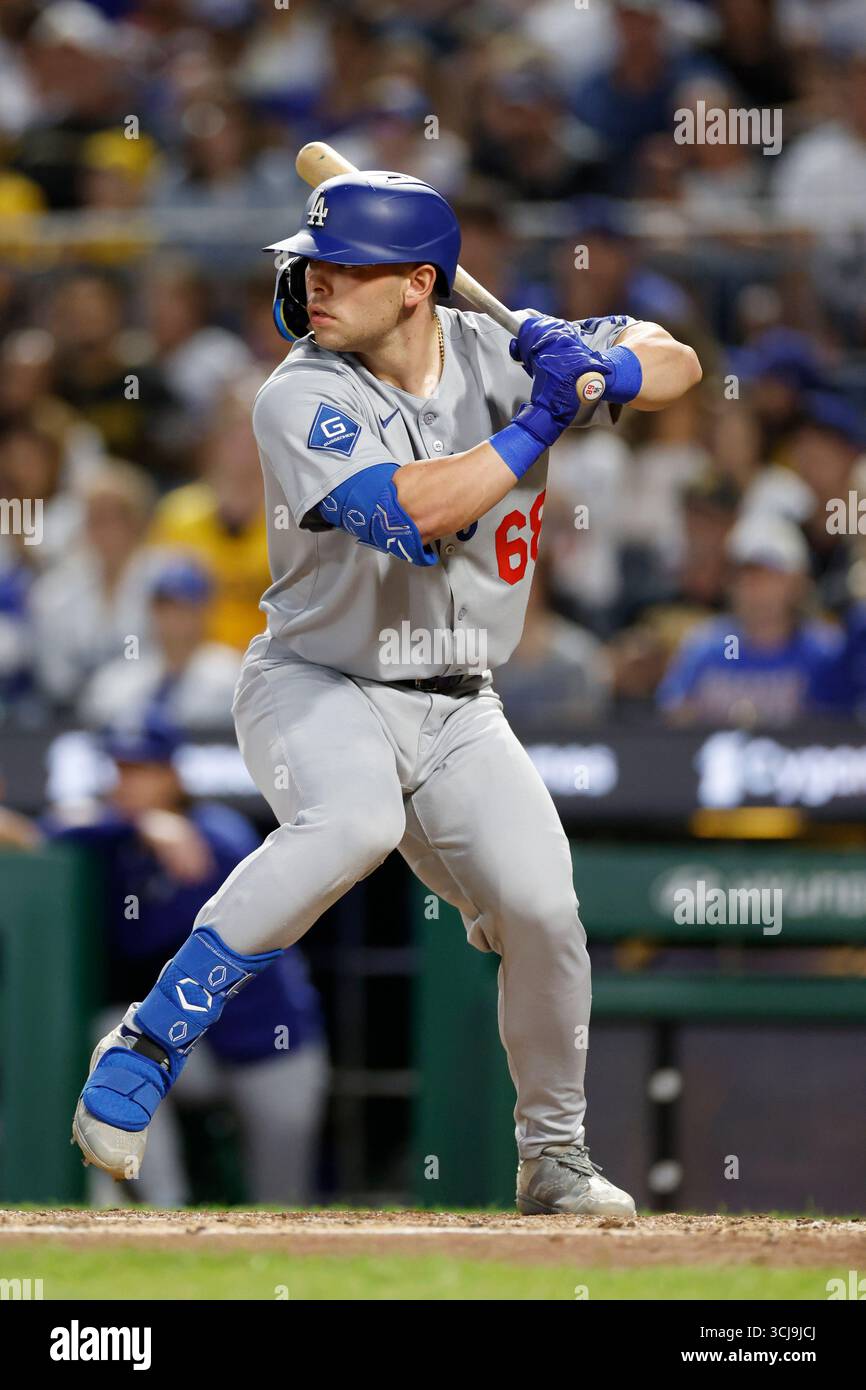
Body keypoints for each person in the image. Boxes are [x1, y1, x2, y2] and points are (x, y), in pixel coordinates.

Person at [73, 168, 701, 1217]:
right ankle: (147, 1038)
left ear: (418, 284)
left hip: (462, 701)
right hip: (316, 680)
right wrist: (544, 418)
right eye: (311, 263)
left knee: (545, 912)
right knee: (351, 823)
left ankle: (552, 1158)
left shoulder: (501, 354)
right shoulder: (298, 390)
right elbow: (412, 511)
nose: (314, 282)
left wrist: (602, 364)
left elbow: (679, 360)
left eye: (343, 267)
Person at [39, 715, 327, 1205]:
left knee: (281, 1200)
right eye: (123, 769)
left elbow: (219, 852)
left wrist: (163, 825)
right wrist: (142, 821)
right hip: (192, 1048)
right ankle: (161, 1207)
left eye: (144, 770)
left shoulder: (217, 828)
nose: (129, 782)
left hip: (271, 1043)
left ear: (172, 774)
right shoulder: (127, 842)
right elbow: (56, 830)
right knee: (114, 1039)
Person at [657, 514, 844, 727]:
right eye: (746, 576)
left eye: (769, 577)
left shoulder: (822, 651)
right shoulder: (711, 647)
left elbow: (839, 725)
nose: (756, 590)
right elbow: (672, 718)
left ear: (796, 582)